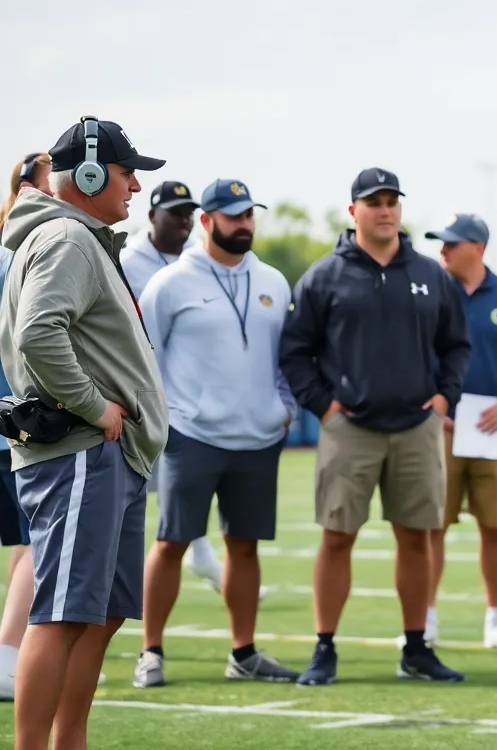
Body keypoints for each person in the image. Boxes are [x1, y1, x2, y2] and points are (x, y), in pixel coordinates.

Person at [0, 116, 168, 750]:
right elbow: (38, 333)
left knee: (101, 612)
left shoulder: (79, 238)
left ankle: (70, 740)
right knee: (64, 611)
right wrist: (97, 409)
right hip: (81, 451)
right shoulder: (69, 238)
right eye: (128, 174)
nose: (134, 188)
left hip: (107, 457)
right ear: (92, 173)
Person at [279, 167, 471, 685]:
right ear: (353, 211)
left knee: (417, 537)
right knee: (337, 537)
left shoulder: (432, 274)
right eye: (374, 201)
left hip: (417, 427)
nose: (385, 209)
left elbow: (456, 345)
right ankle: (324, 648)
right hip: (351, 429)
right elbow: (296, 351)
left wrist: (443, 397)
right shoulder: (324, 275)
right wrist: (324, 407)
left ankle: (416, 647)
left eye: (392, 201)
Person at [133, 179, 299, 687]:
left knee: (244, 546)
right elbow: (143, 357)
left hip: (258, 437)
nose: (244, 224)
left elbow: (283, 358)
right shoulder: (170, 283)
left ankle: (243, 653)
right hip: (192, 435)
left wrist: (284, 407)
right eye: (233, 216)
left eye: (249, 214)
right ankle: (151, 651)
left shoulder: (274, 280)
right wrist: (162, 420)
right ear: (207, 222)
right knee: (172, 541)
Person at [423, 213, 497, 650]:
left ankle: (496, 621)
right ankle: (422, 620)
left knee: (494, 527)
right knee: (431, 527)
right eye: (441, 242)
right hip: (438, 429)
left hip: (494, 429)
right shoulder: (426, 294)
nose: (443, 250)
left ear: (478, 247)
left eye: (452, 242)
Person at [119, 181, 227, 593]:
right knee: (136, 493)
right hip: (137, 393)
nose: (184, 220)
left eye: (188, 212)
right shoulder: (127, 263)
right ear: (152, 216)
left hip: (185, 394)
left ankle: (201, 555)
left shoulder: (199, 262)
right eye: (175, 212)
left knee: (180, 484)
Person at [0, 152, 52, 702]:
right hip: (19, 424)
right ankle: (11, 657)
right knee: (41, 542)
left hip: (11, 422)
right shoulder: (27, 256)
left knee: (24, 543)